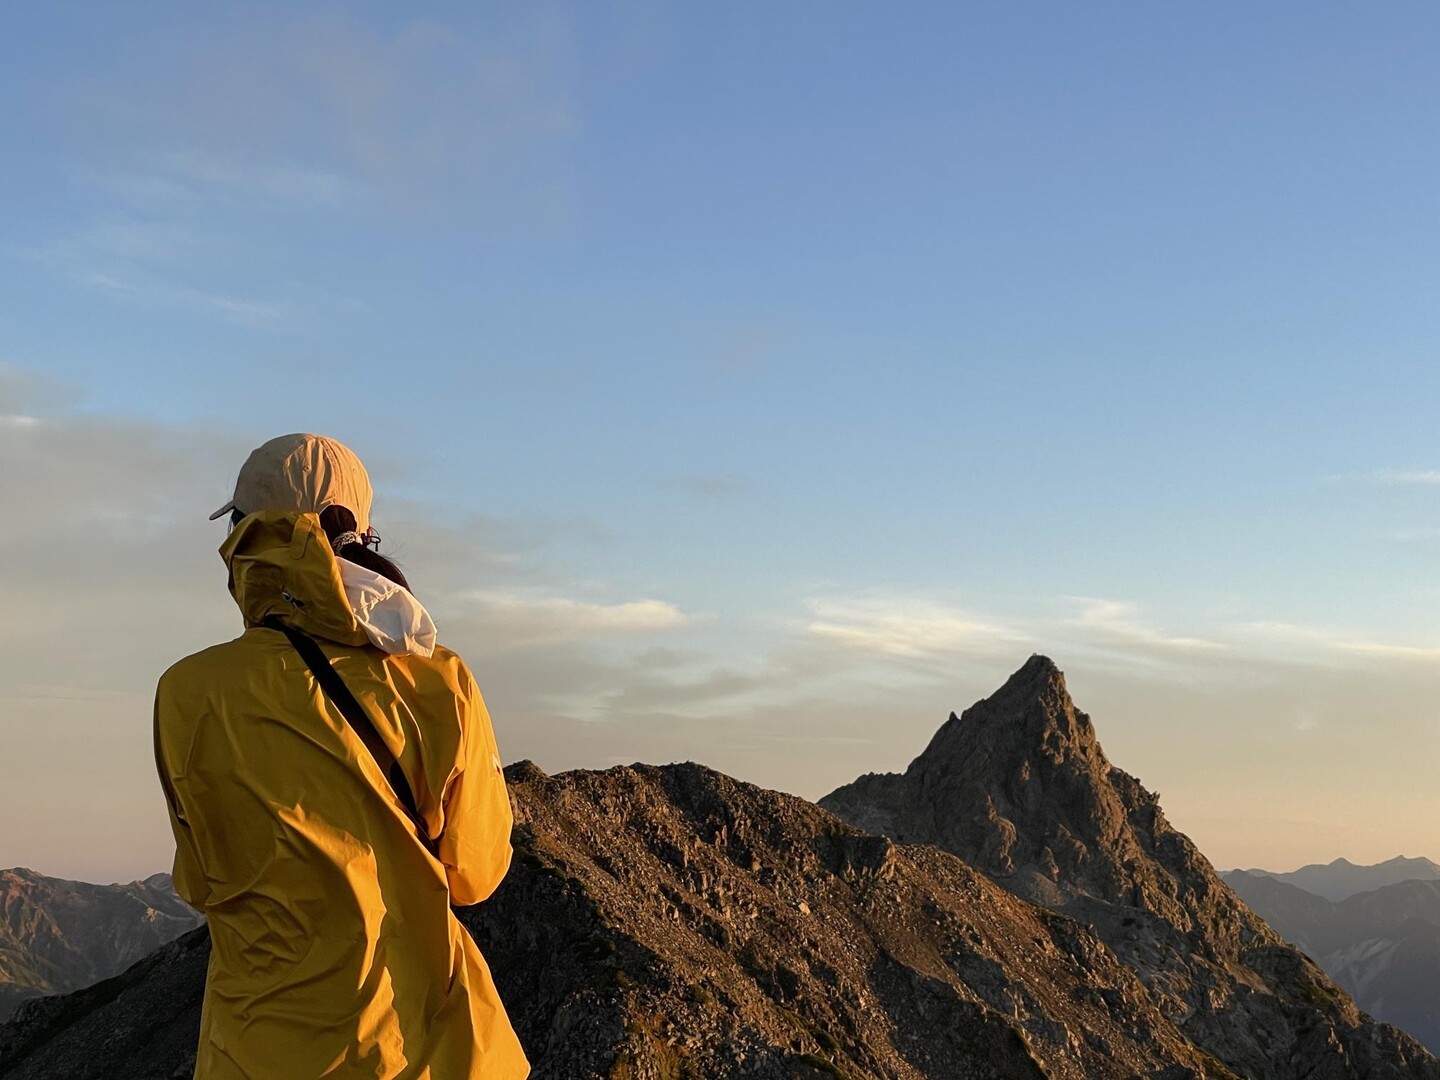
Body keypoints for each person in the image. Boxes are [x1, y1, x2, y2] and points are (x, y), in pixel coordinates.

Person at [153, 433, 529, 1079]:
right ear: (362, 534)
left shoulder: (189, 689)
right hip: (418, 1048)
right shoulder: (436, 681)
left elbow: (200, 879)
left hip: (252, 1050)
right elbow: (475, 874)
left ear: (242, 539)